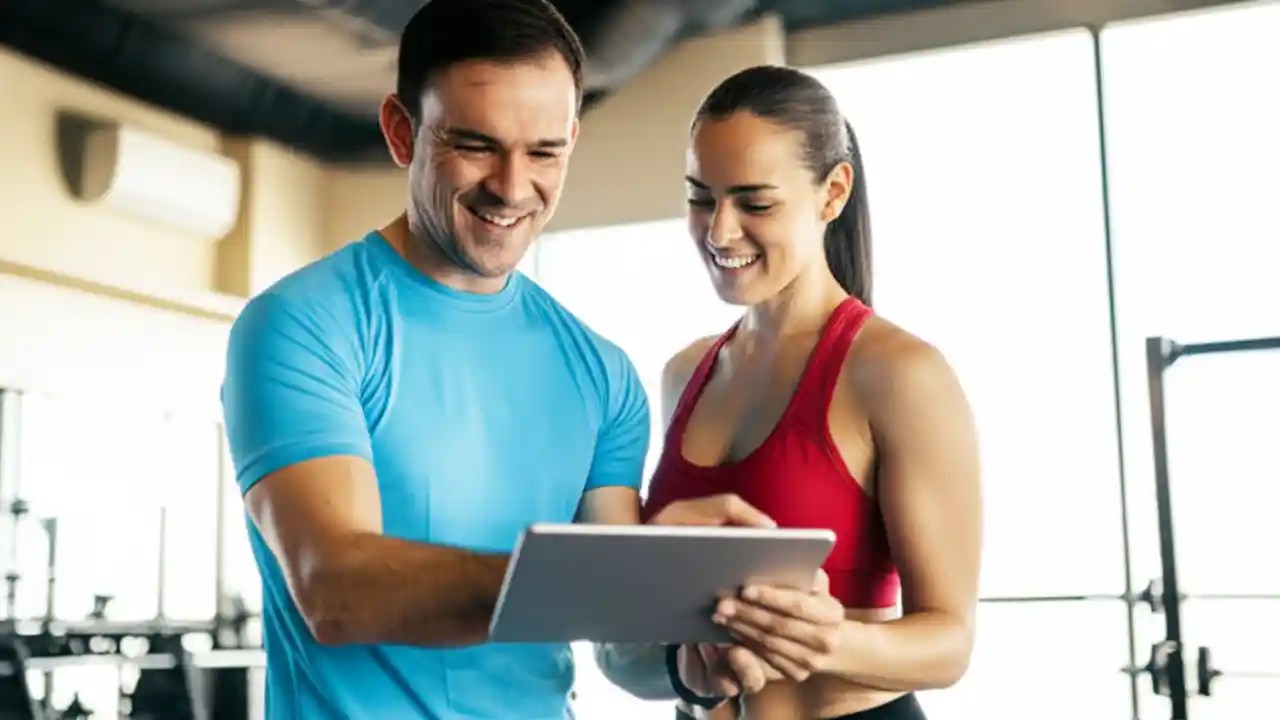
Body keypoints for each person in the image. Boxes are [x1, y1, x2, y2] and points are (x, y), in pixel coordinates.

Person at [219, 1, 779, 718]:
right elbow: (338, 590)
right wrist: (625, 572)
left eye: (544, 151)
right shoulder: (303, 323)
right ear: (401, 131)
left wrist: (695, 650)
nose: (513, 188)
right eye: (475, 145)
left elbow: (621, 644)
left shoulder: (600, 372)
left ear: (572, 140)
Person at [642, 65, 984, 719]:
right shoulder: (683, 372)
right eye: (699, 198)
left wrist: (819, 639)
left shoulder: (898, 373)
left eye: (754, 203)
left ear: (833, 193)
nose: (719, 231)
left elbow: (950, 642)